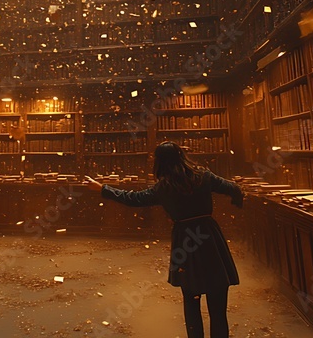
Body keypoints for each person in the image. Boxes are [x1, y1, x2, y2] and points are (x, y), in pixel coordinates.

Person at [85, 141, 243, 338]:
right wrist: (238, 202)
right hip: (209, 236)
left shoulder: (163, 187)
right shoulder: (203, 176)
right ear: (181, 156)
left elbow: (133, 199)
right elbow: (232, 188)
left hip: (186, 240)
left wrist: (103, 189)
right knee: (218, 303)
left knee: (191, 301)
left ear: (159, 162)